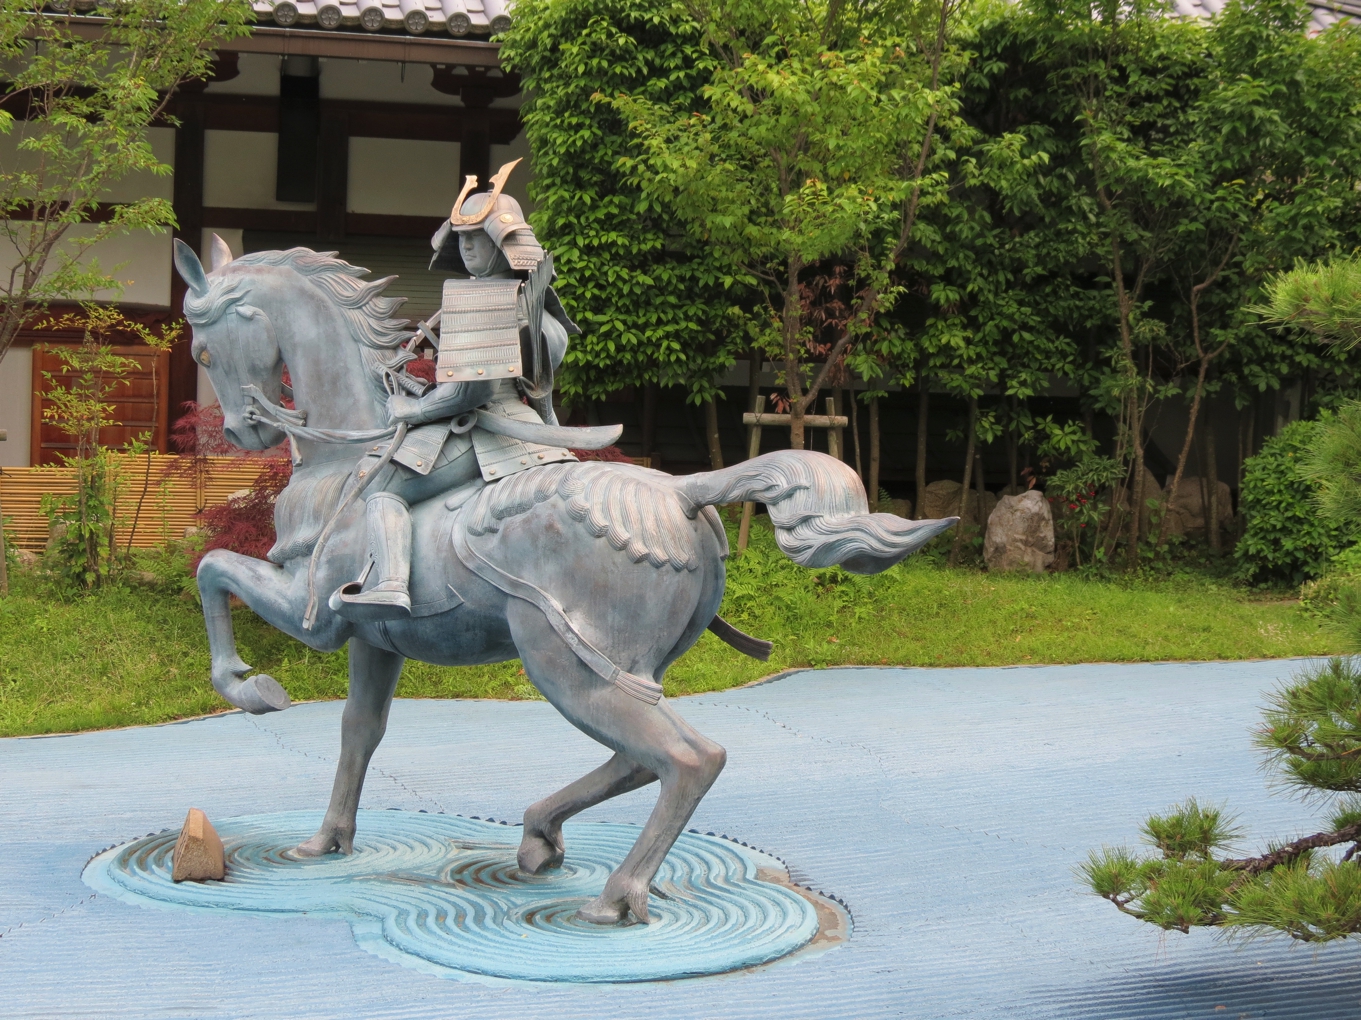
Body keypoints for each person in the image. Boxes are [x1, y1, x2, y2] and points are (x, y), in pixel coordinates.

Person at [331, 161, 583, 622]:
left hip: (482, 432)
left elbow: (468, 396)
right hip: (526, 428)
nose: (466, 249)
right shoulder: (534, 299)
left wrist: (413, 406)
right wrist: (553, 429)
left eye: (477, 239)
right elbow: (540, 387)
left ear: (503, 245)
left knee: (381, 486)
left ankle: (389, 584)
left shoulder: (480, 298)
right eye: (461, 240)